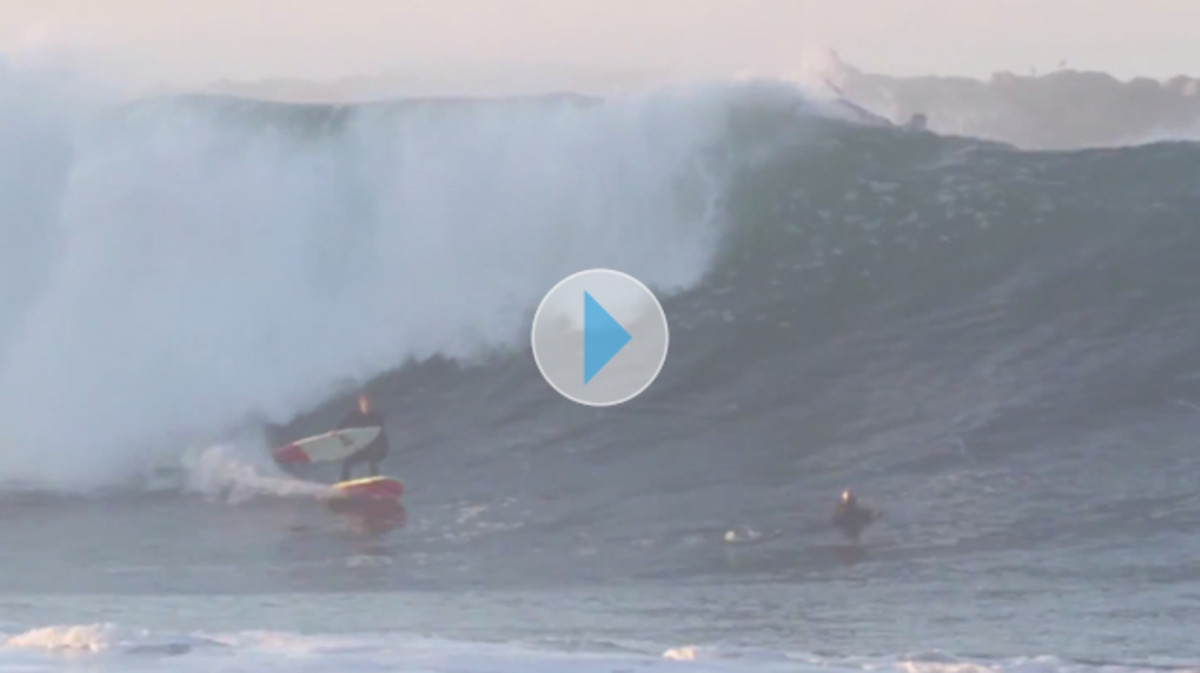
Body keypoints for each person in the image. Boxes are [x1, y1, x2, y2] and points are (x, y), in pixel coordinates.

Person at [335, 394, 389, 481]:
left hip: (379, 449)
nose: (367, 406)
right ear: (360, 404)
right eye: (364, 404)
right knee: (347, 461)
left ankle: (374, 480)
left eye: (368, 404)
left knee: (372, 456)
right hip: (363, 449)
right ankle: (343, 482)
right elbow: (340, 427)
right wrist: (336, 433)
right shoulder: (353, 416)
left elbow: (378, 430)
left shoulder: (377, 416)